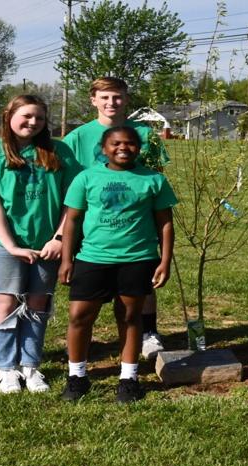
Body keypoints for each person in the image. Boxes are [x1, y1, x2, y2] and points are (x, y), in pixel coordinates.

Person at [0, 94, 80, 394]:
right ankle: (5, 368)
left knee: (38, 302)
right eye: (26, 116)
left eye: (39, 118)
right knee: (5, 301)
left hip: (47, 244)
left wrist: (59, 238)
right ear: (9, 116)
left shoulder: (60, 152)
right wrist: (12, 246)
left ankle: (30, 366)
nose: (32, 122)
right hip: (4, 244)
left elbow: (73, 201)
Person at [56, 126, 177, 403]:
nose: (124, 148)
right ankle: (77, 377)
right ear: (103, 148)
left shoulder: (153, 180)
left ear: (139, 148)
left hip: (137, 258)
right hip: (92, 258)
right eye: (116, 143)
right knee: (79, 316)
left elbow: (165, 223)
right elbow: (72, 220)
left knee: (129, 317)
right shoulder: (86, 178)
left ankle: (128, 379)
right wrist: (66, 259)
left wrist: (164, 260)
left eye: (131, 144)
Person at [62, 76, 171, 360]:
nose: (112, 103)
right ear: (93, 100)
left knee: (140, 286)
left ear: (126, 99)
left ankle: (148, 332)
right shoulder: (76, 137)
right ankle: (82, 343)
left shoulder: (146, 136)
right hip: (93, 220)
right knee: (88, 289)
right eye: (105, 97)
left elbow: (157, 178)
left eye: (118, 97)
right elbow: (68, 184)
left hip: (137, 225)